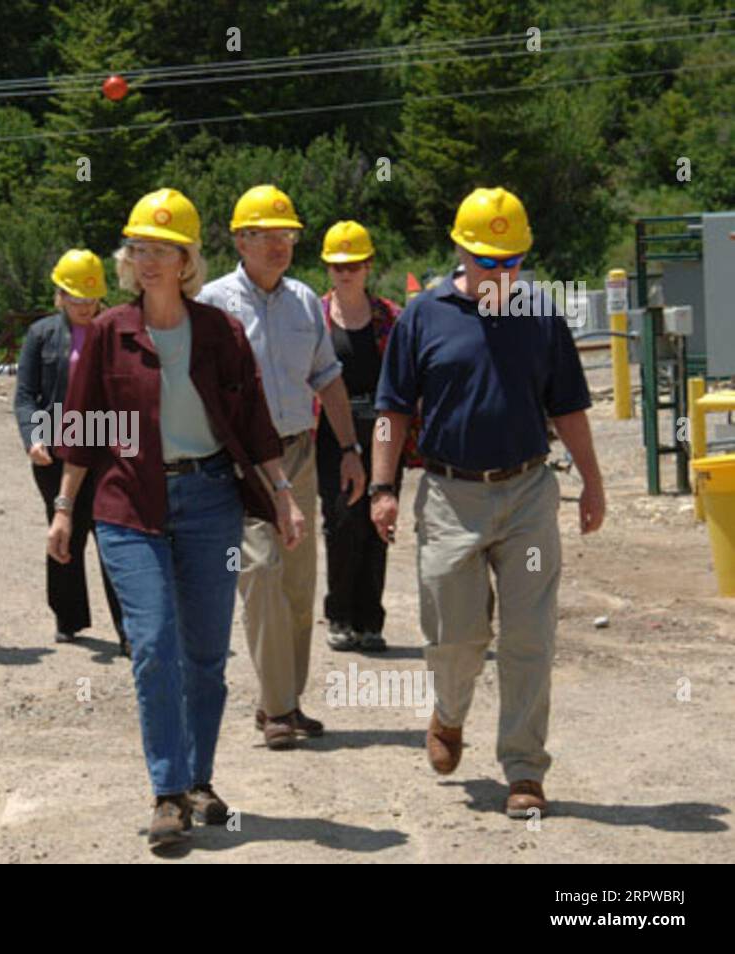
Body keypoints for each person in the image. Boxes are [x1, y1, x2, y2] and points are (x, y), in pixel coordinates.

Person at [50, 188, 304, 849]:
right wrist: (64, 508)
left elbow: (253, 421)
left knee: (203, 654)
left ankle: (198, 779)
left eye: (163, 250)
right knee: (155, 644)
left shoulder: (220, 332)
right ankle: (166, 792)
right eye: (139, 250)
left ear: (189, 259)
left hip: (211, 500)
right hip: (129, 504)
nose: (149, 261)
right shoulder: (109, 333)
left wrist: (282, 492)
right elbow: (82, 427)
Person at [370, 187, 606, 818]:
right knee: (455, 635)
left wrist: (593, 482)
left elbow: (569, 407)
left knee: (530, 637)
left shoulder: (540, 316)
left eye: (511, 262)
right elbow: (392, 410)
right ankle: (449, 714)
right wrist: (383, 487)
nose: (499, 274)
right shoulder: (423, 316)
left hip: (528, 493)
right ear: (460, 252)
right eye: (486, 261)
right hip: (450, 497)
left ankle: (525, 769)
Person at [198, 185, 366, 751]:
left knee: (297, 585)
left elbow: (327, 378)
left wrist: (350, 449)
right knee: (262, 574)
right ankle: (276, 706)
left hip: (297, 451)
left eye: (288, 235)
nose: (281, 245)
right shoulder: (214, 304)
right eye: (268, 236)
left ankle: (285, 701)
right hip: (240, 462)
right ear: (240, 240)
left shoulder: (302, 303)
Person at [14, 249, 127, 653]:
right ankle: (69, 616)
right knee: (65, 529)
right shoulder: (42, 334)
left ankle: (129, 629)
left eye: (90, 298)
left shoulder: (118, 330)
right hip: (54, 451)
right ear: (59, 294)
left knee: (113, 535)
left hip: (104, 447)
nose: (83, 306)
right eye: (75, 297)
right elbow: (26, 395)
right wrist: (33, 436)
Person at [315, 220, 409, 653]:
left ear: (369, 265)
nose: (345, 271)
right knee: (340, 522)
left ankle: (371, 620)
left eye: (353, 264)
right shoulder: (315, 317)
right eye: (337, 264)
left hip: (384, 430)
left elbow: (407, 381)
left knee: (378, 522)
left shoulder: (390, 317)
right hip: (333, 432)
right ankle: (339, 616)